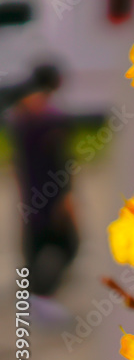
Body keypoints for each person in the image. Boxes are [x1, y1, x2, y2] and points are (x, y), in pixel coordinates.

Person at [2, 63, 100, 298]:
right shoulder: (49, 121)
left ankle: (37, 295)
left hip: (34, 201)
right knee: (66, 247)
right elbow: (62, 163)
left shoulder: (21, 120)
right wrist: (67, 196)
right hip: (49, 200)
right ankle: (39, 296)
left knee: (38, 254)